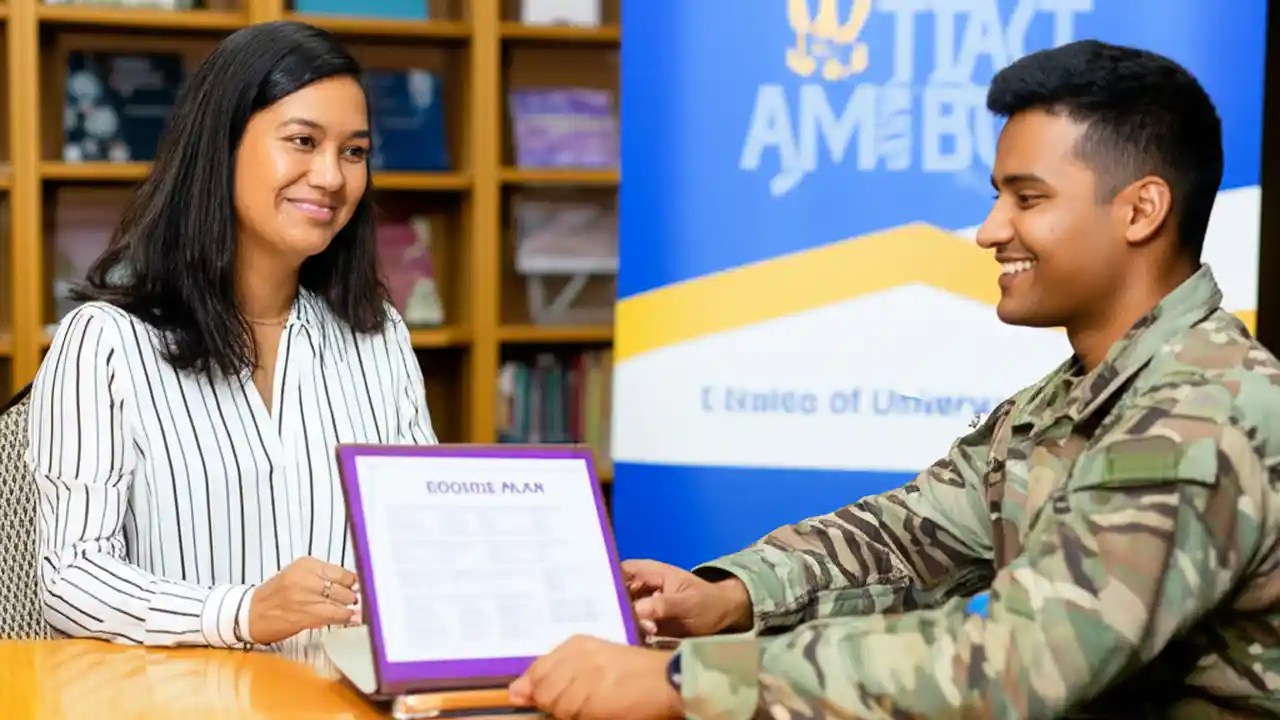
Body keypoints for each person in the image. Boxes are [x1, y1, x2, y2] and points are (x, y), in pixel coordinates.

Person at [507, 39, 1280, 720]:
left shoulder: (1202, 411)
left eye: (1028, 198)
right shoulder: (1075, 393)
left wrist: (682, 684)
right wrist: (729, 598)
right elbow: (912, 538)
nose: (989, 230)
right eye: (997, 195)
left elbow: (1021, 662)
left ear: (1142, 209)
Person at [27, 21, 438, 649]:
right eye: (303, 141)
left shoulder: (380, 339)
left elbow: (424, 540)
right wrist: (241, 612)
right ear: (220, 147)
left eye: (354, 151)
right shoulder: (106, 342)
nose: (332, 176)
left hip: (346, 701)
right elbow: (71, 577)